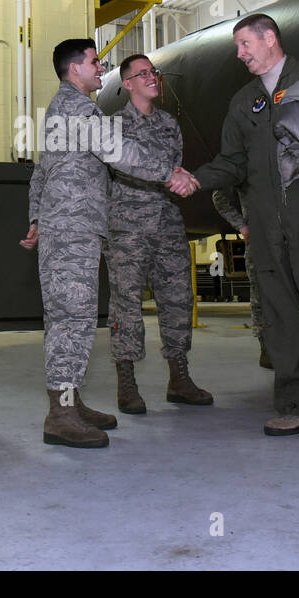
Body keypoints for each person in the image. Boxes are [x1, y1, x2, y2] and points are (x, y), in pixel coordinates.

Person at [185, 14, 299, 445]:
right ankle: (296, 406)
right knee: (279, 316)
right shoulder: (244, 100)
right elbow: (232, 162)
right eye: (237, 47)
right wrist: (196, 178)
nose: (240, 54)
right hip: (266, 223)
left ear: (270, 38)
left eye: (245, 44)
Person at [22, 38, 199, 449]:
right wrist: (169, 172)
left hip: (69, 227)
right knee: (72, 320)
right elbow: (117, 149)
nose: (101, 69)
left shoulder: (66, 109)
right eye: (94, 62)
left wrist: (35, 218)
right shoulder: (76, 108)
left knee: (74, 318)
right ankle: (60, 416)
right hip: (72, 230)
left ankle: (70, 402)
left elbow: (41, 172)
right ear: (74, 69)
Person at [106, 54, 213, 414]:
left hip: (167, 222)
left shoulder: (169, 124)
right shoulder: (114, 126)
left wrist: (180, 181)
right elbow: (127, 167)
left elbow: (177, 167)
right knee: (126, 303)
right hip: (128, 225)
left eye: (153, 72)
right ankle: (127, 381)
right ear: (128, 84)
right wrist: (171, 175)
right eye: (143, 74)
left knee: (179, 299)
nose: (152, 77)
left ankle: (179, 377)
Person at [210, 188, 271, 369]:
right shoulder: (247, 164)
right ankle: (266, 348)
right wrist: (242, 226)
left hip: (288, 239)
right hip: (259, 241)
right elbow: (219, 196)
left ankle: (293, 349)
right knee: (260, 295)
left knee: (289, 295)